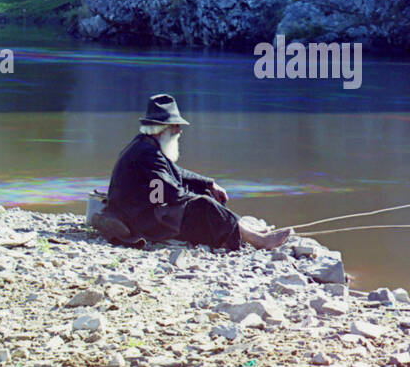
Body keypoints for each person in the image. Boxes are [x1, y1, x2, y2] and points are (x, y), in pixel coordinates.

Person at [96, 94, 292, 251]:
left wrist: (208, 183)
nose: (180, 132)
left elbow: (173, 172)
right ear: (162, 129)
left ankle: (244, 230)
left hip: (141, 208)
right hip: (140, 218)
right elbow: (170, 193)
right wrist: (197, 197)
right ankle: (257, 239)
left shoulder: (145, 144)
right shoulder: (147, 153)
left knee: (203, 194)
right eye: (176, 127)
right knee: (203, 204)